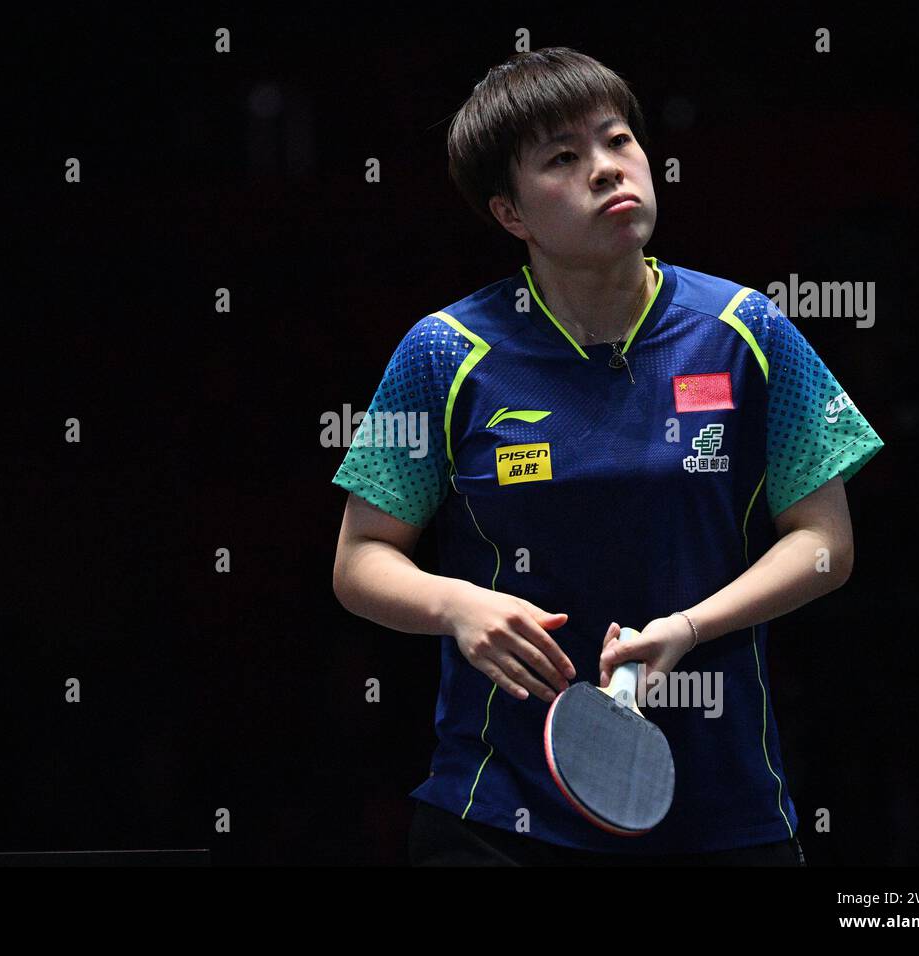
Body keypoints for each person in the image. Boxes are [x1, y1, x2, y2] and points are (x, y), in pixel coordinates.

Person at [329, 47, 883, 866]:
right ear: (510, 213)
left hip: (722, 813)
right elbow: (360, 559)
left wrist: (691, 629)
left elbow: (825, 544)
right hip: (498, 815)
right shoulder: (443, 354)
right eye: (562, 157)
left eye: (618, 140)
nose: (606, 169)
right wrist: (456, 607)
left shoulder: (748, 331)